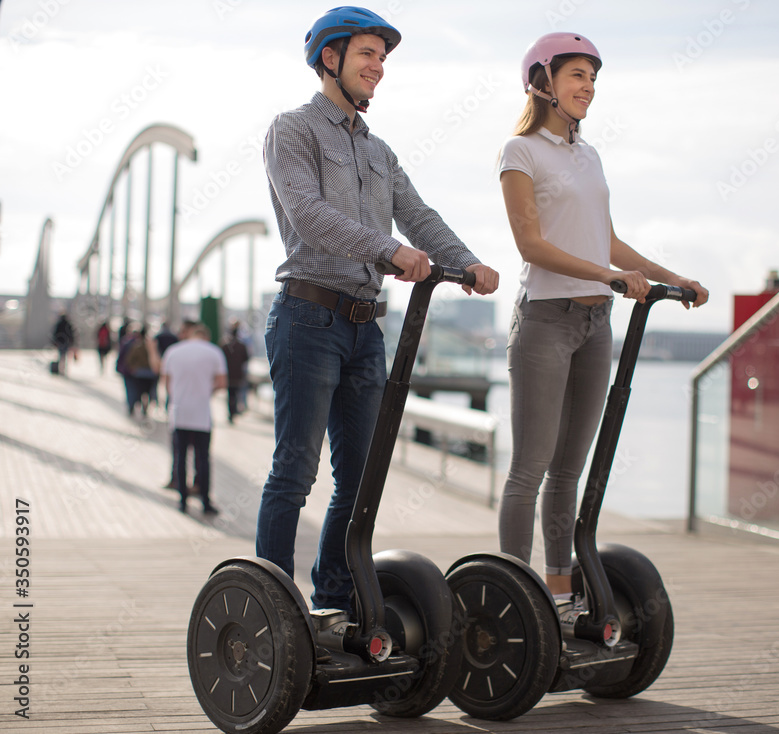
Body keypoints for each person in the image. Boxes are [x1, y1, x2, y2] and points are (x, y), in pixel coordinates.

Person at [256, 6, 499, 614]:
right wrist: (390, 251)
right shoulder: (293, 129)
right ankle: (273, 604)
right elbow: (310, 216)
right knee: (295, 471)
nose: (379, 67)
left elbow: (418, 215)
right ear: (330, 58)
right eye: (368, 54)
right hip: (308, 318)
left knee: (361, 479)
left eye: (383, 58)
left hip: (366, 328)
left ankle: (334, 600)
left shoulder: (380, 152)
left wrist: (466, 261)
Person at [496, 32, 709, 613]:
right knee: (530, 469)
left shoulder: (588, 155)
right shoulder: (521, 152)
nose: (589, 87)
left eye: (593, 77)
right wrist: (608, 276)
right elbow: (531, 244)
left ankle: (560, 598)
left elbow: (608, 241)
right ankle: (512, 598)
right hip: (545, 319)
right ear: (543, 82)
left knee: (569, 472)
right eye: (577, 76)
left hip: (596, 324)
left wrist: (675, 278)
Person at [160, 321, 227, 515]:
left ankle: (182, 501)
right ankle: (205, 502)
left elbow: (166, 383)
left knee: (180, 457)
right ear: (206, 336)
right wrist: (206, 392)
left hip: (179, 413)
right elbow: (222, 383)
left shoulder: (173, 351)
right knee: (203, 458)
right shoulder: (214, 352)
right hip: (201, 414)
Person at [221, 321, 249, 423]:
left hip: (228, 374)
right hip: (237, 375)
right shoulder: (241, 346)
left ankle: (230, 412)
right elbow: (246, 358)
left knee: (230, 395)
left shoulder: (224, 345)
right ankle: (233, 411)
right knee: (236, 394)